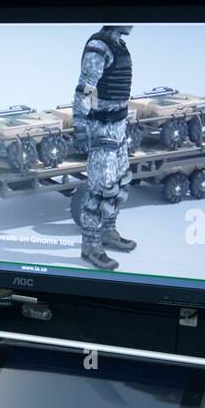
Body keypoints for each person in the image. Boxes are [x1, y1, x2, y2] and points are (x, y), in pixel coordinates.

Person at [73, 24, 137, 271]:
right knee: (100, 188)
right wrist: (80, 124)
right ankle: (90, 245)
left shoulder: (118, 44)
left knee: (121, 182)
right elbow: (86, 87)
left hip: (118, 125)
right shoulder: (98, 46)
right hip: (102, 126)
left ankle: (108, 232)